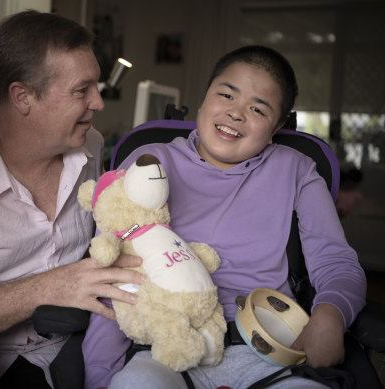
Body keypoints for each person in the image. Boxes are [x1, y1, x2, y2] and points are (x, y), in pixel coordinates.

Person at [82, 45, 367, 389]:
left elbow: (336, 262)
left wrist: (330, 315)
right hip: (168, 348)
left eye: (257, 109)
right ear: (204, 98)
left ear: (276, 126)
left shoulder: (296, 170)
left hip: (269, 352)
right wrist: (99, 377)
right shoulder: (150, 163)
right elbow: (114, 275)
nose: (236, 113)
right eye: (226, 95)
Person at [0, 10, 145, 388]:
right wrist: (50, 287)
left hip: (84, 344)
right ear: (23, 97)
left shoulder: (90, 145)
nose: (98, 102)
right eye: (82, 90)